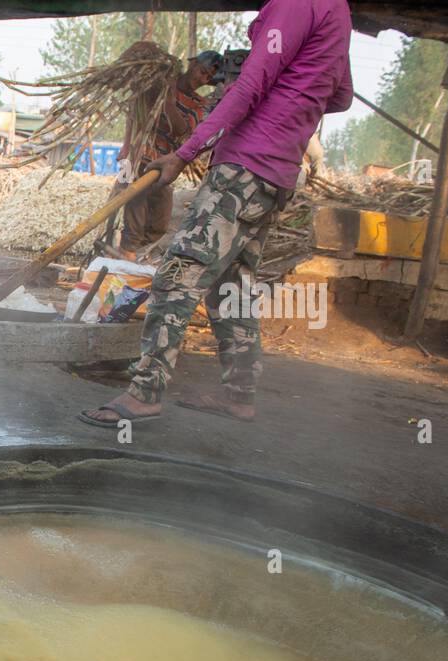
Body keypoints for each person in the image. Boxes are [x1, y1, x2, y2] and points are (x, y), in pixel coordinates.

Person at [81, 0, 352, 428]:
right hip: (278, 174)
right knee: (234, 285)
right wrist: (295, 101)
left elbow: (249, 88)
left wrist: (185, 152)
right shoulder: (337, 12)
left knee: (178, 274)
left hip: (244, 167)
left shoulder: (296, 2)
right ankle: (239, 396)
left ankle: (144, 392)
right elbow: (340, 95)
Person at [117, 50, 222, 258]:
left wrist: (167, 100)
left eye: (208, 77)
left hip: (164, 163)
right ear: (191, 63)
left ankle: (140, 255)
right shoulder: (159, 84)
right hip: (139, 155)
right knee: (134, 203)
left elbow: (182, 130)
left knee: (160, 221)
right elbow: (134, 111)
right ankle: (127, 252)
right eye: (201, 72)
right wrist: (126, 146)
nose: (202, 79)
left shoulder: (198, 103)